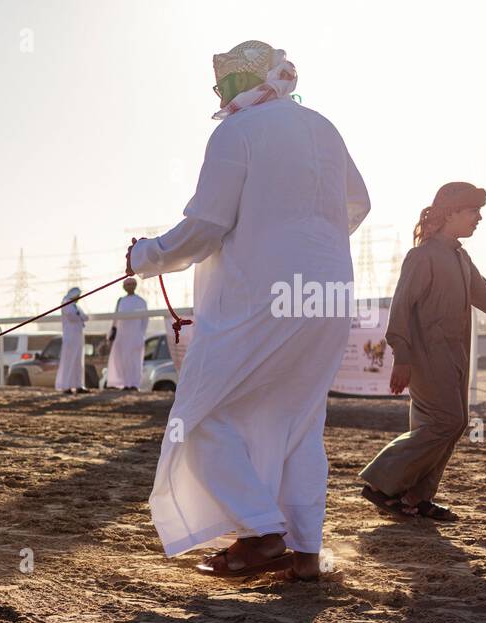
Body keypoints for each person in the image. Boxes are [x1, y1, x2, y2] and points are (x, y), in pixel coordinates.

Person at [128, 40, 370, 581]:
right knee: (301, 420)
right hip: (329, 292)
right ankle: (307, 552)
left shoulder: (236, 132)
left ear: (240, 82)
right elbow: (358, 203)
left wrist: (146, 256)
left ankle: (260, 533)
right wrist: (312, 241)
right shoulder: (322, 126)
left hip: (262, 296)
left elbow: (206, 225)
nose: (217, 96)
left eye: (221, 85)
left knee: (200, 415)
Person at [360, 183, 486, 521]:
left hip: (455, 356)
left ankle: (415, 498)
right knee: (447, 421)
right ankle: (381, 484)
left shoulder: (460, 256)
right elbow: (401, 309)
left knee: (455, 422)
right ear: (450, 213)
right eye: (472, 211)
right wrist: (402, 356)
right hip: (425, 357)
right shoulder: (422, 256)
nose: (478, 218)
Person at [106, 277, 149, 390]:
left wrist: (140, 334)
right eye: (127, 284)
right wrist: (112, 333)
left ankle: (134, 384)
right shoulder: (121, 301)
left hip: (136, 335)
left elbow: (145, 320)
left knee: (135, 360)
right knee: (122, 360)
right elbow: (115, 319)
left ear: (135, 286)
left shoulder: (141, 301)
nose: (129, 286)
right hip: (122, 336)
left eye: (131, 284)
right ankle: (125, 384)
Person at [55, 286, 89, 394]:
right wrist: (80, 316)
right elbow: (72, 317)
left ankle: (78, 385)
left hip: (78, 337)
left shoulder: (76, 306)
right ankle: (66, 386)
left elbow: (85, 317)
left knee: (78, 362)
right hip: (70, 338)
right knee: (69, 362)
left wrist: (79, 316)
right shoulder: (66, 304)